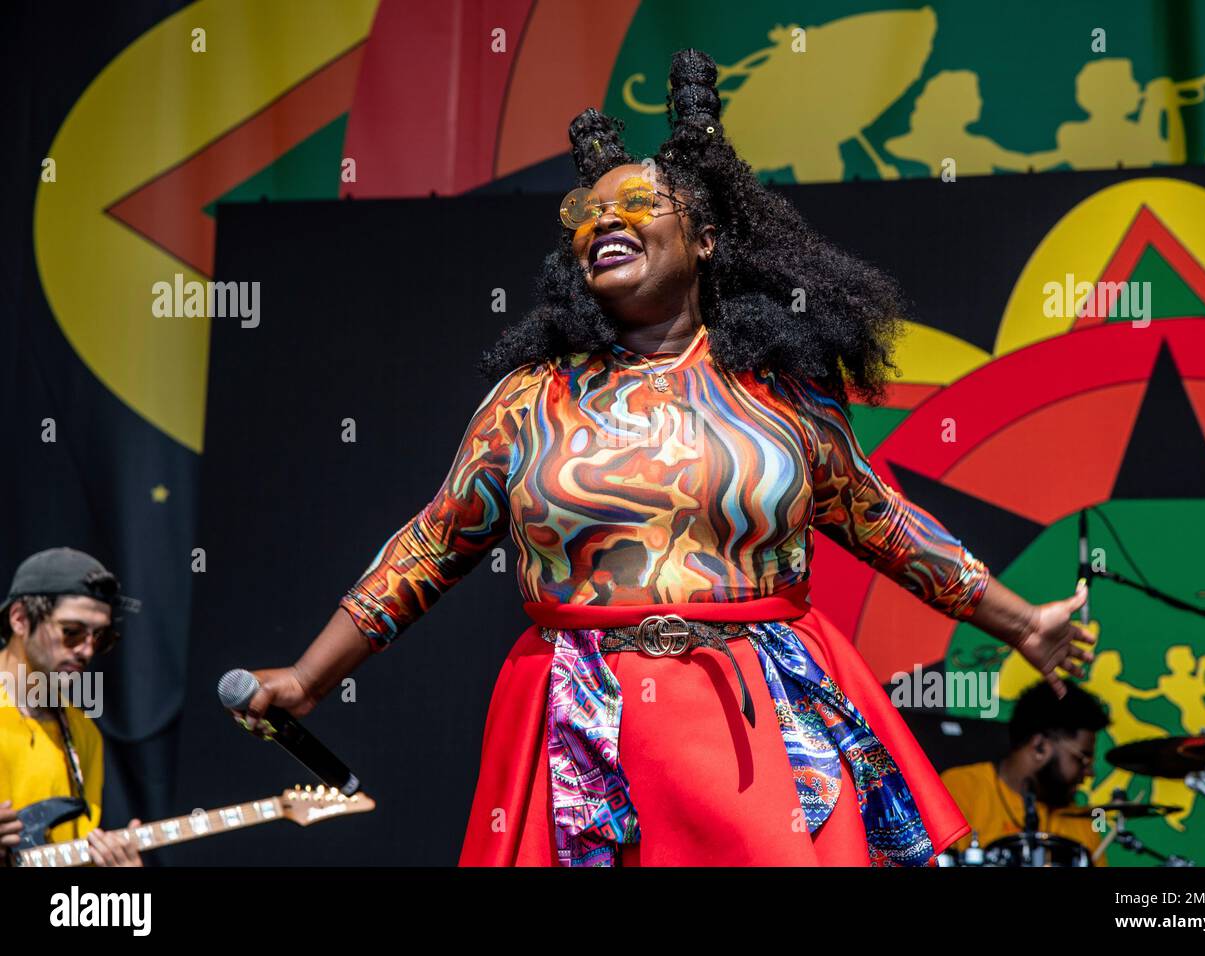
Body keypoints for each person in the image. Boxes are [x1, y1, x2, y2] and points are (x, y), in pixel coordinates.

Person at [232, 48, 1095, 867]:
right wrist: (310, 679)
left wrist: (1024, 624)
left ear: (707, 239)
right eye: (587, 212)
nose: (606, 218)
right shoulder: (528, 402)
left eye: (640, 204)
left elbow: (884, 522)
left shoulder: (781, 397)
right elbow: (430, 546)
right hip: (577, 716)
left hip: (753, 721)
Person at [0, 547, 141, 866]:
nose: (87, 650)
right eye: (71, 632)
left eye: (101, 637)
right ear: (20, 619)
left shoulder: (84, 733)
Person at [941, 680, 1111, 865]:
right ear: (1039, 747)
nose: (1090, 772)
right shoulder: (961, 789)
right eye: (1082, 758)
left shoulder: (1081, 821)